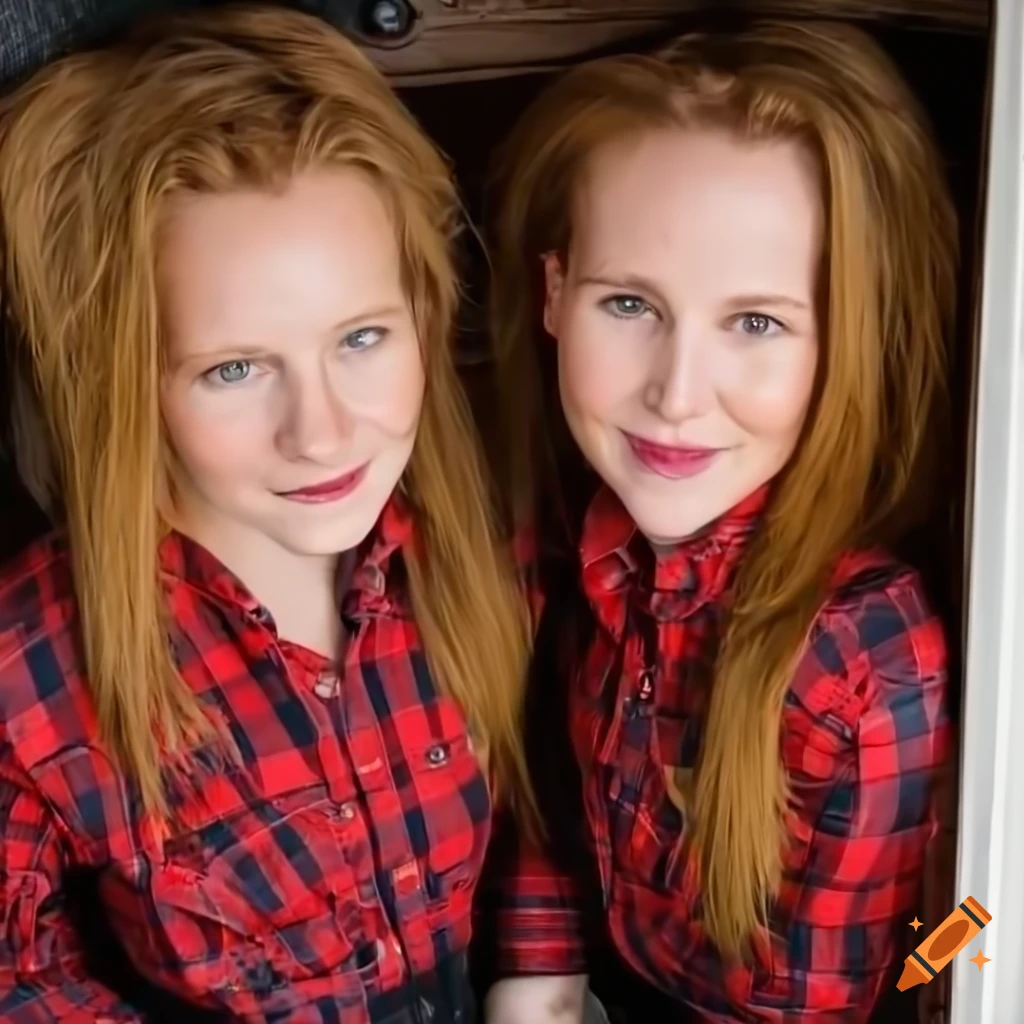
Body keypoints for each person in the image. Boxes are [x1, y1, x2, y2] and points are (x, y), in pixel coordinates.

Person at [0, 6, 561, 1021]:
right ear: (121, 380)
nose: (322, 430)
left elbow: (552, 789)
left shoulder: (485, 540)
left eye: (359, 339)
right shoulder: (32, 663)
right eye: (236, 368)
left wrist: (539, 979)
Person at [485, 20, 955, 1021]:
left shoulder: (865, 657)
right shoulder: (575, 537)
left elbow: (846, 995)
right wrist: (535, 981)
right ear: (555, 292)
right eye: (629, 304)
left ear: (844, 342)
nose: (676, 393)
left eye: (755, 322)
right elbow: (552, 801)